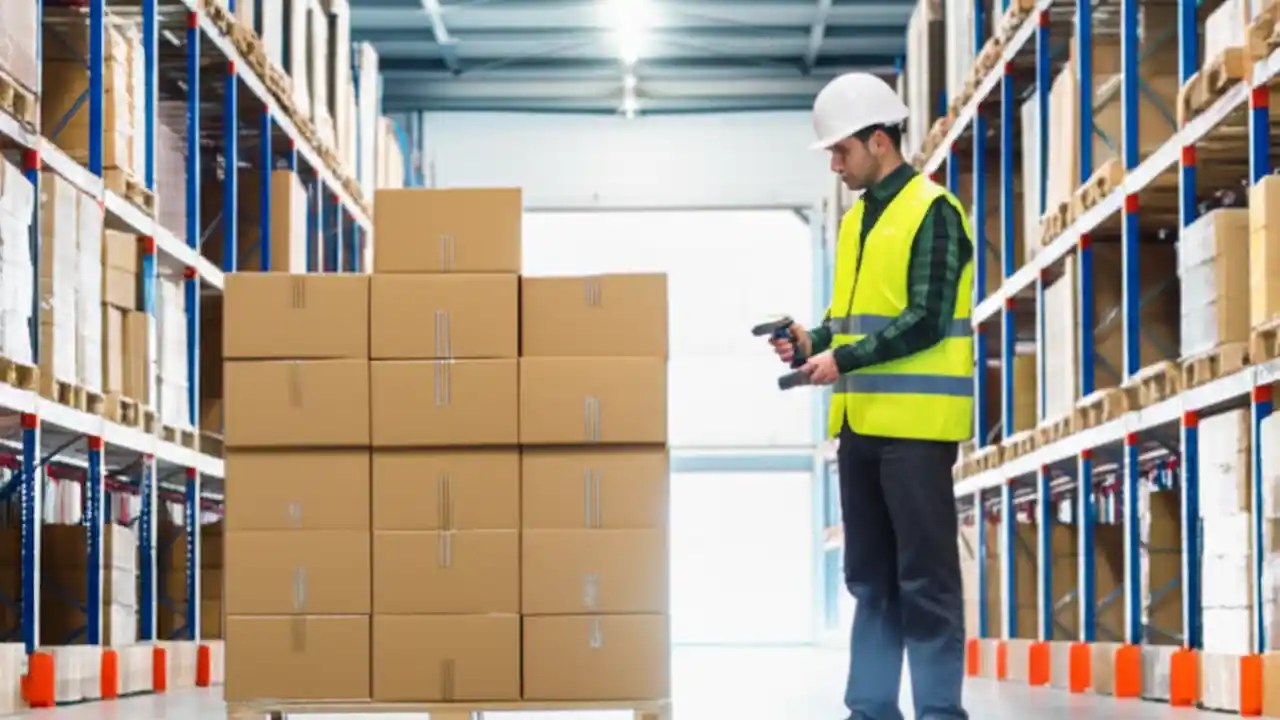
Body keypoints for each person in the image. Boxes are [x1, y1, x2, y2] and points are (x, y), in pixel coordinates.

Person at [771, 73, 974, 720]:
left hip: (915, 430)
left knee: (926, 582)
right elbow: (853, 317)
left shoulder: (934, 211)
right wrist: (811, 339)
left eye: (842, 151)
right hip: (860, 427)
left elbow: (927, 317)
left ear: (880, 141)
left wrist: (846, 357)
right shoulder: (860, 220)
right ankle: (870, 710)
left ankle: (940, 713)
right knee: (869, 581)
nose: (835, 164)